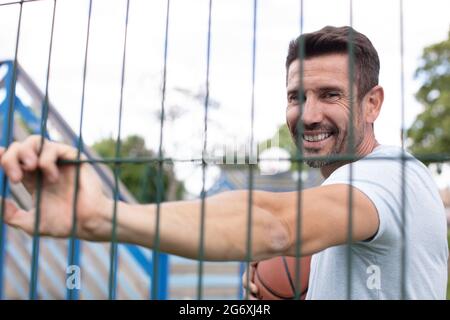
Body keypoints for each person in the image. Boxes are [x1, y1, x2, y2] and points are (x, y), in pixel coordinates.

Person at [0, 26, 447, 299]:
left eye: (330, 95)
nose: (308, 115)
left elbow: (275, 224)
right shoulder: (350, 191)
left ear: (372, 103)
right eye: (297, 97)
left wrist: (102, 216)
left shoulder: (392, 176)